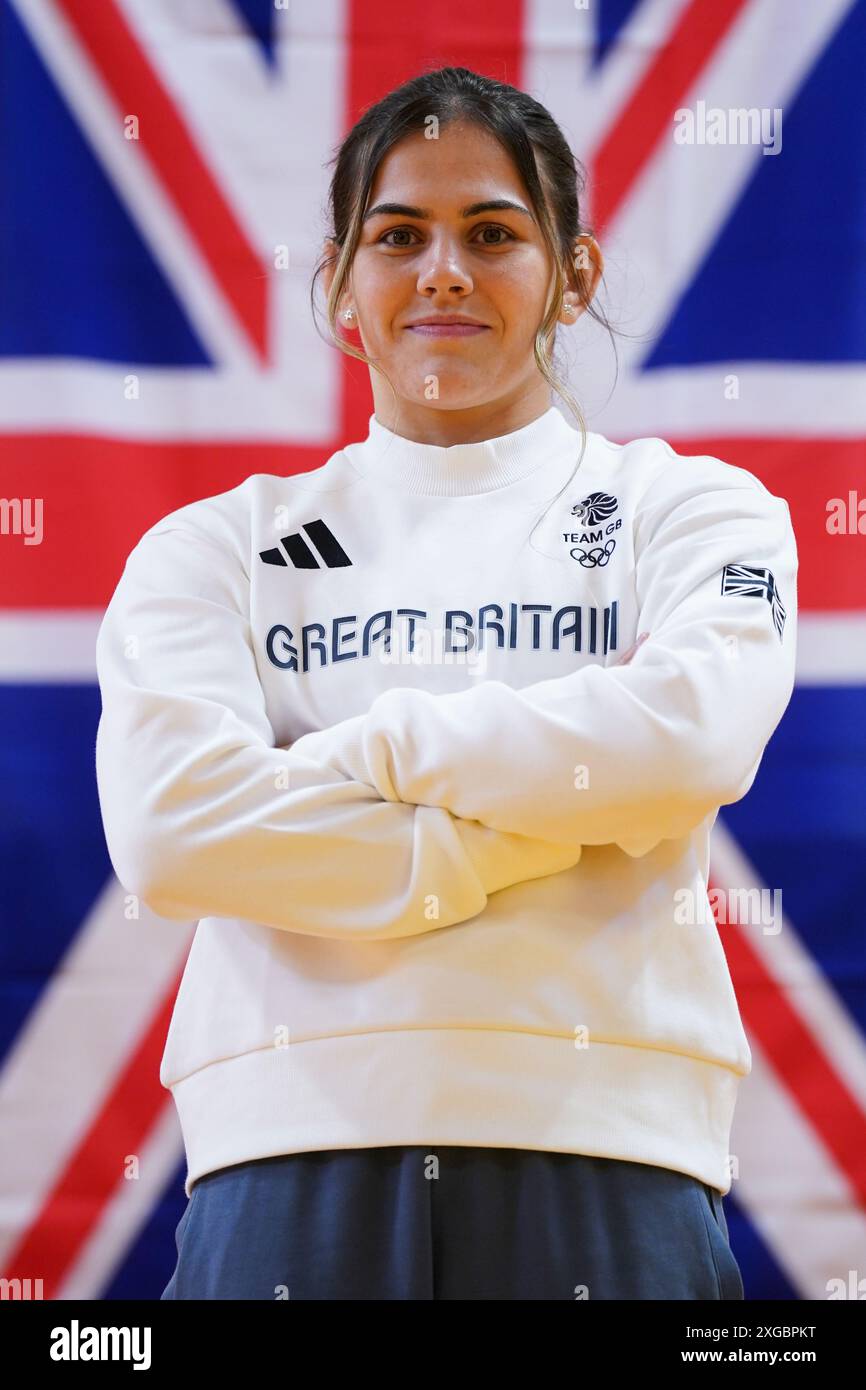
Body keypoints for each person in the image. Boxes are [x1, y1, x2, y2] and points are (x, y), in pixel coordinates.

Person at [95, 66, 797, 1300]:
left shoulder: (690, 509)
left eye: (491, 233)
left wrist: (363, 755)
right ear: (338, 286)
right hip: (283, 1157)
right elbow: (172, 832)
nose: (442, 273)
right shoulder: (212, 546)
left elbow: (689, 741)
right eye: (397, 237)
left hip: (610, 1156)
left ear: (572, 275)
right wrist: (527, 833)